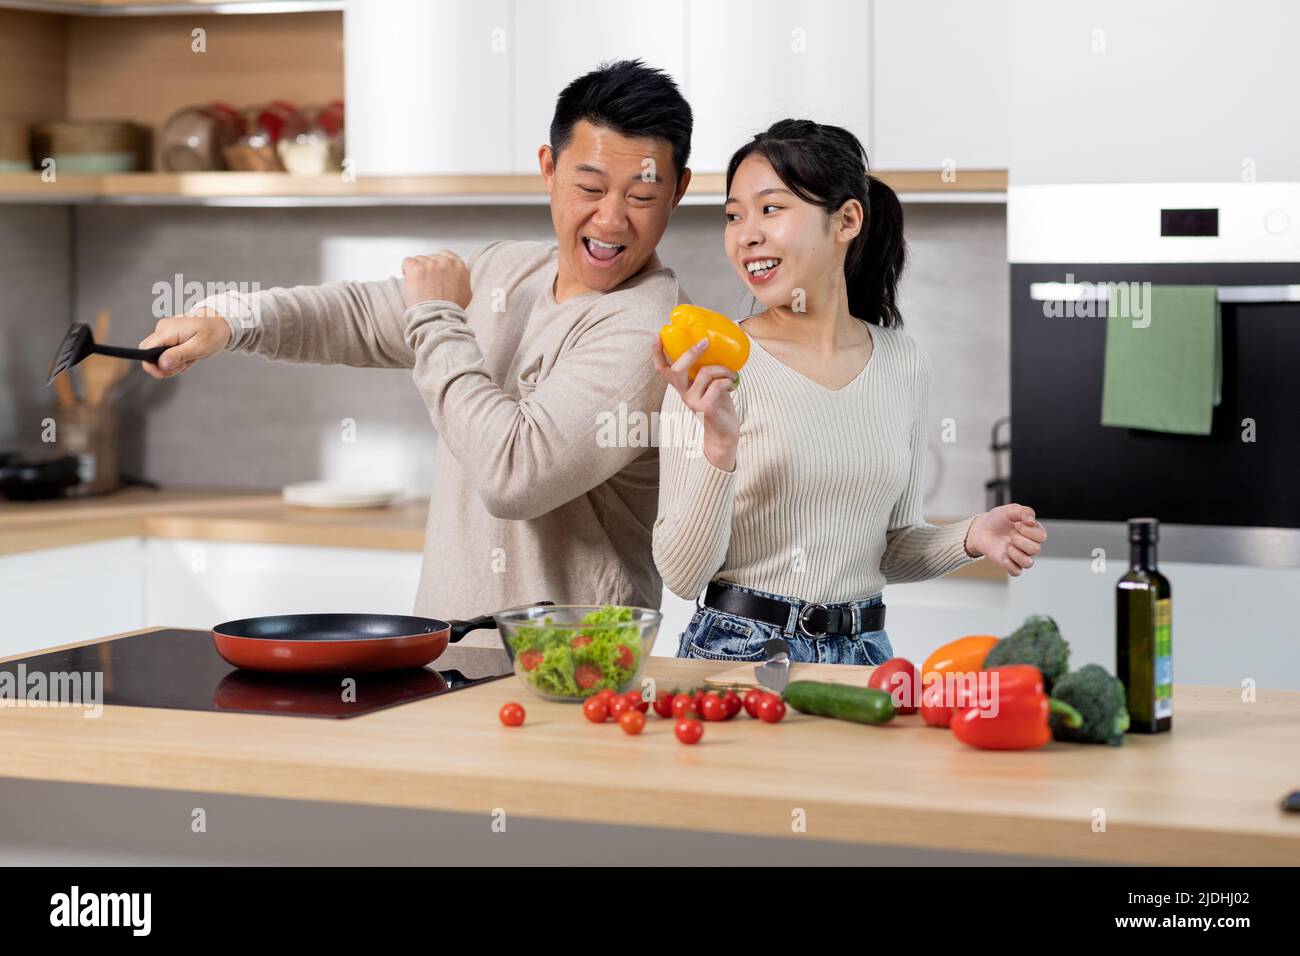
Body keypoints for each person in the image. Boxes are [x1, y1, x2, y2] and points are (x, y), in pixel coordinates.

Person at [138, 60, 693, 621]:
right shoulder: (507, 270)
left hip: (577, 671)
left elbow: (515, 476)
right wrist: (230, 320)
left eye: (641, 198)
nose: (612, 219)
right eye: (590, 188)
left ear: (678, 192)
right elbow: (360, 314)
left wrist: (434, 314)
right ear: (549, 169)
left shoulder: (653, 328)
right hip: (451, 654)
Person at [652, 119, 1047, 664]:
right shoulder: (712, 366)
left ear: (847, 221)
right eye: (733, 215)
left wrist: (971, 535)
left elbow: (887, 547)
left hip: (866, 650)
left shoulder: (903, 363)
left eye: (770, 209)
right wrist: (720, 447)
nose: (746, 234)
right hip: (741, 650)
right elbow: (681, 575)